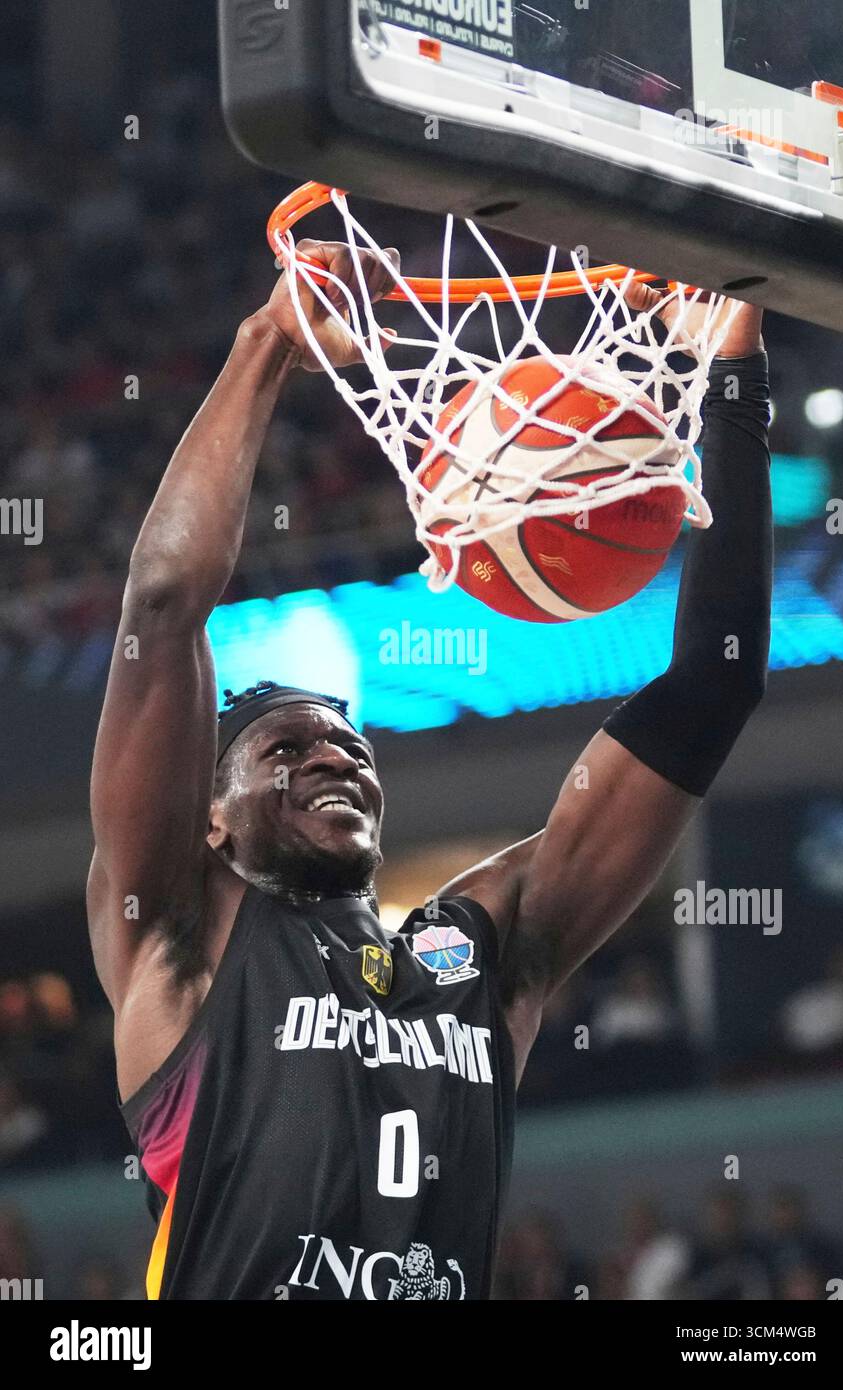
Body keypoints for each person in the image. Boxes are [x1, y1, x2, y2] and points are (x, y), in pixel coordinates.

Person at [87, 241, 772, 1299]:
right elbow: (166, 604)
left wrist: (730, 379)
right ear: (210, 821)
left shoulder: (477, 949)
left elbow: (708, 692)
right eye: (288, 748)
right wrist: (266, 344)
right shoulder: (181, 931)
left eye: (348, 744)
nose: (334, 755)